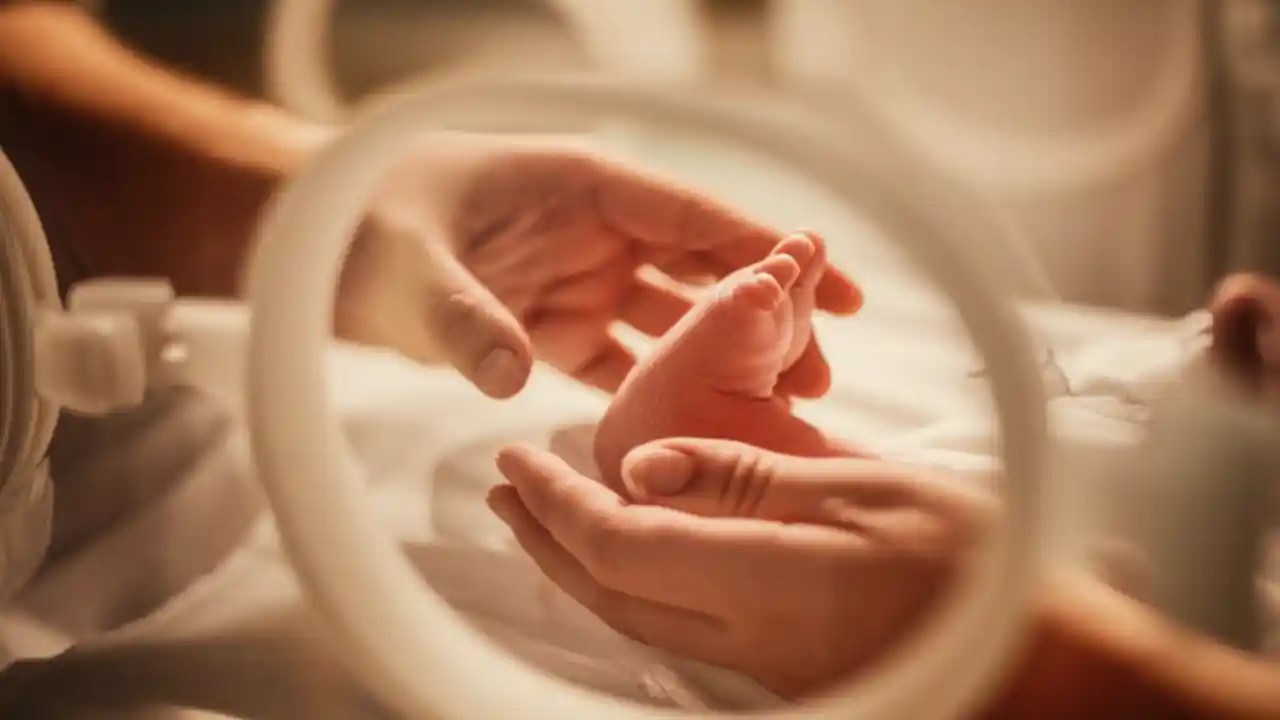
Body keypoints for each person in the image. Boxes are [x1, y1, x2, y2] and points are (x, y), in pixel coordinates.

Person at [1, 2, 1277, 718]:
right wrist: (308, 209)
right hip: (285, 446)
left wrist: (1044, 675)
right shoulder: (1153, 411)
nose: (1241, 308)